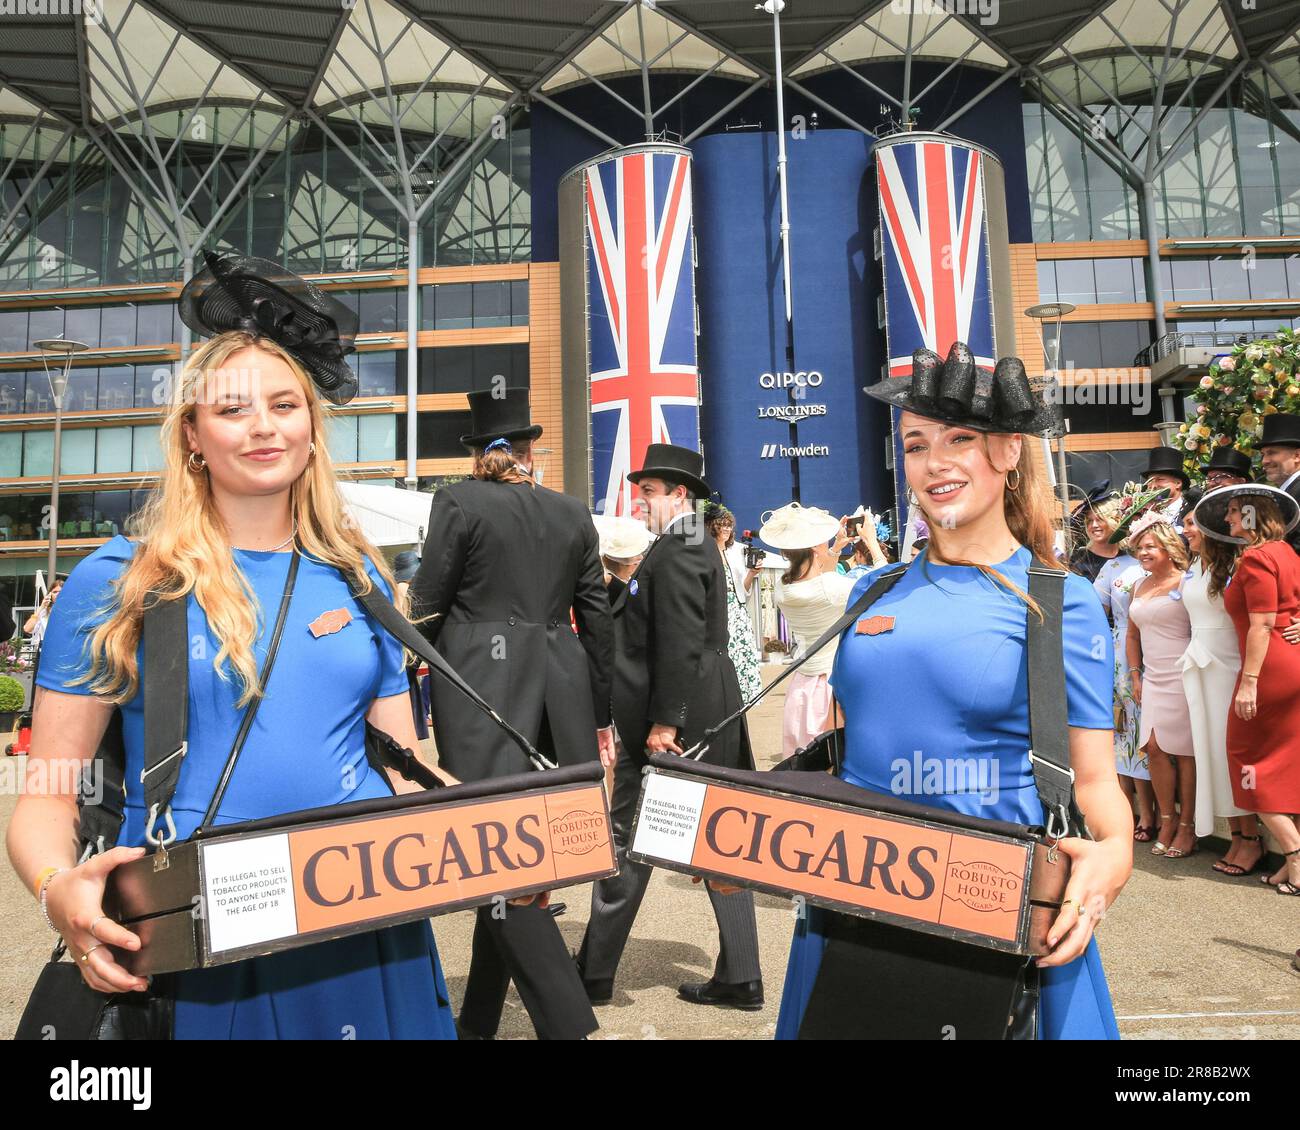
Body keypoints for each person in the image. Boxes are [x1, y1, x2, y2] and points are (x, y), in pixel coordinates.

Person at [6, 252, 456, 1039]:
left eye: (285, 404)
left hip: (367, 927)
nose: (263, 427)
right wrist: (57, 887)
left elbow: (405, 770)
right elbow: (45, 785)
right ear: (191, 435)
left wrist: (512, 842)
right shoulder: (119, 580)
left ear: (312, 429)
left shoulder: (358, 580)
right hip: (202, 933)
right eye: (232, 409)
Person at [777, 343, 1131, 1040]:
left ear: (1006, 453)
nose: (933, 462)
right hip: (854, 910)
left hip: (993, 916)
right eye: (915, 444)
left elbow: (1092, 779)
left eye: (959, 439)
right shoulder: (869, 591)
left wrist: (1116, 851)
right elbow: (853, 753)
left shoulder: (1061, 602)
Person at [409, 386, 615, 1041]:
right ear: (532, 451)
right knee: (519, 854)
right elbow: (599, 618)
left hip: (480, 693)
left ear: (478, 455)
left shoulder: (457, 501)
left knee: (496, 854)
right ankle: (477, 1023)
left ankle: (568, 1025)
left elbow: (427, 602)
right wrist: (602, 715)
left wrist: (410, 670)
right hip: (561, 694)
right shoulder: (572, 512)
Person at [578, 443, 763, 1011]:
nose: (641, 501)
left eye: (650, 492)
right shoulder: (684, 543)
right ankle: (741, 974)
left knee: (630, 836)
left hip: (675, 719)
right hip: (697, 709)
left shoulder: (681, 545)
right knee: (718, 840)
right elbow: (653, 623)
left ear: (680, 495)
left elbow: (680, 641)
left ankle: (593, 972)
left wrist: (665, 721)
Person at [1195, 484, 1300, 895]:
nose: (1228, 519)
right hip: (1290, 666)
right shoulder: (1287, 552)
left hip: (1268, 669)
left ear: (1254, 516)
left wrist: (1249, 683)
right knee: (1285, 764)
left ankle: (1293, 853)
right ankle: (1288, 866)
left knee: (1244, 761)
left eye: (1236, 512)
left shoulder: (1257, 557)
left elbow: (1261, 624)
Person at [1179, 504, 1260, 873]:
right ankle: (1236, 835)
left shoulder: (1237, 566)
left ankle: (1252, 839)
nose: (1185, 531)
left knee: (1232, 753)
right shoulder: (1193, 567)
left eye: (1191, 525)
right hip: (1199, 663)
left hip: (1227, 665)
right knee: (1211, 752)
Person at [1125, 513, 1197, 860]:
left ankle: (1186, 826)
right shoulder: (1139, 586)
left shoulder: (1187, 583)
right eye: (1139, 547)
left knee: (1184, 753)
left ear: (1169, 548)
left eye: (1150, 546)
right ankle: (1166, 820)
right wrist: (1136, 675)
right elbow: (1132, 633)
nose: (1143, 552)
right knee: (1152, 748)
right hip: (1151, 678)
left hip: (1184, 674)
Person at [758, 503, 856, 757]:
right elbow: (880, 583)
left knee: (807, 759)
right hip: (832, 685)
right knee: (836, 759)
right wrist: (871, 542)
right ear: (814, 546)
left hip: (803, 684)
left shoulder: (783, 586)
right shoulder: (831, 587)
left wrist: (834, 549)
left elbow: (823, 583)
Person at [1090, 494, 1153, 839]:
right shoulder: (1111, 567)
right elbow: (1094, 608)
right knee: (1121, 729)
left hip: (1152, 648)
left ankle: (1154, 812)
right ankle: (1126, 810)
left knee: (1146, 732)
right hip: (1117, 650)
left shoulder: (1149, 560)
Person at [703, 503, 762, 703]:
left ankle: (741, 699)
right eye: (722, 524)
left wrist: (752, 574)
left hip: (737, 610)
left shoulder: (734, 553)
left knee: (743, 657)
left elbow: (741, 588)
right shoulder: (706, 552)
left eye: (729, 525)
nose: (727, 529)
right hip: (719, 611)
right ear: (712, 526)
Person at [1259, 413, 1300, 555]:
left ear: (1297, 456)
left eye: (1272, 453)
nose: (1264, 461)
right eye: (1263, 454)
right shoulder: (1285, 493)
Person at [1067, 482, 1116, 583]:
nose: (1094, 525)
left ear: (1114, 519)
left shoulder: (1130, 555)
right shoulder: (1078, 561)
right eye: (1089, 521)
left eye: (1099, 519)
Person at [1143, 446, 1191, 531]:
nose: (1153, 486)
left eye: (1160, 479)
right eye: (1150, 481)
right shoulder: (1145, 513)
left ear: (1178, 483)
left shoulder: (1191, 511)